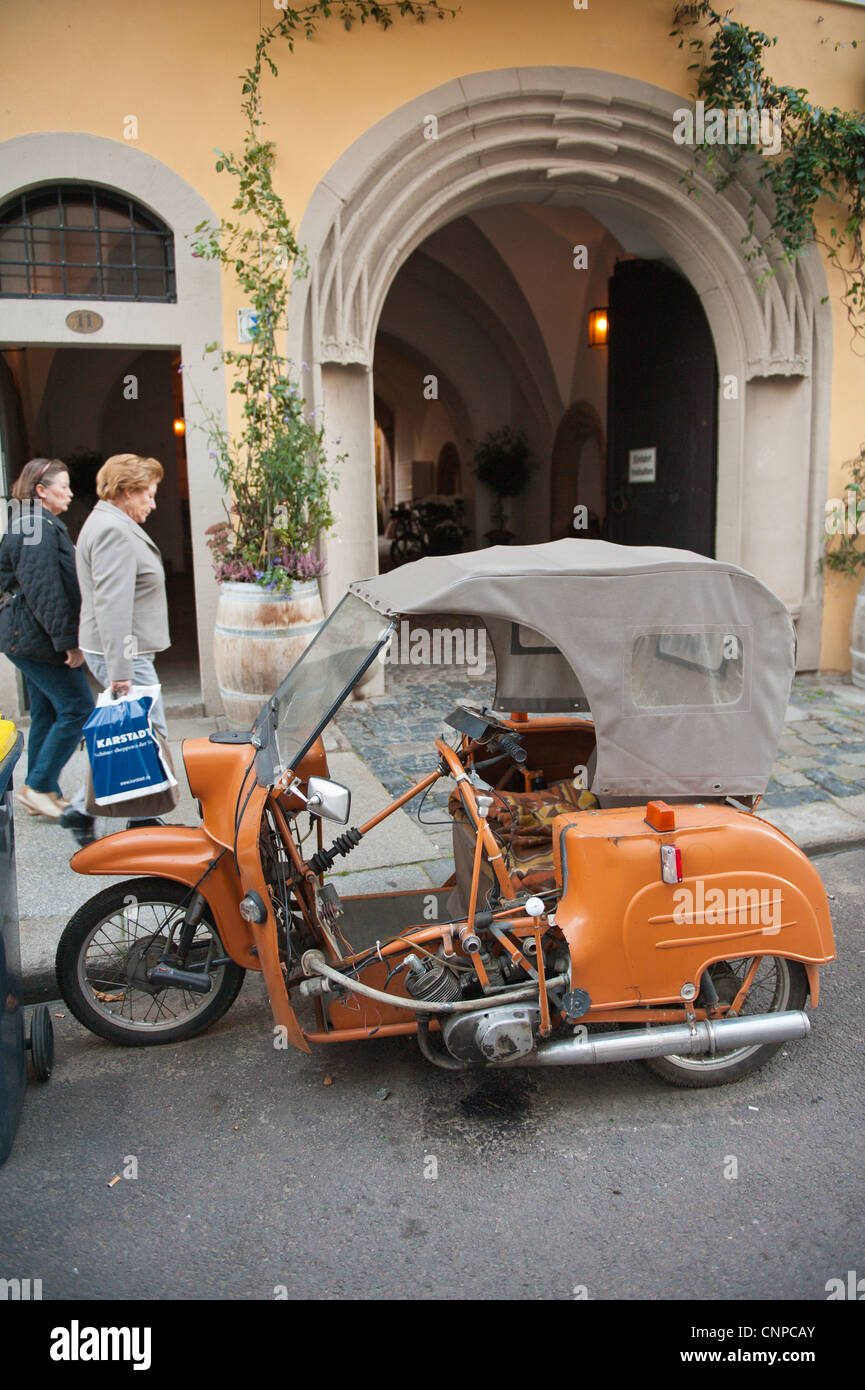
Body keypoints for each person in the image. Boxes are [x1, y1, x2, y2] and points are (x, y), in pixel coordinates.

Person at [60, 454, 170, 845]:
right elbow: (113, 603)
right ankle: (113, 813)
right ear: (126, 491)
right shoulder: (113, 530)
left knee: (132, 731)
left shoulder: (112, 521)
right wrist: (121, 669)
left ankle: (125, 813)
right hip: (124, 652)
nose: (153, 504)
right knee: (148, 729)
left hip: (122, 650)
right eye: (149, 495)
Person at [0, 458, 95, 819]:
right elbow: (45, 591)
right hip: (34, 638)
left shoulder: (37, 524)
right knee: (77, 708)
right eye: (63, 487)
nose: (70, 493)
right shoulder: (33, 526)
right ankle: (38, 785)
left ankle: (41, 789)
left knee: (47, 710)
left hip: (28, 636)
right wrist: (68, 642)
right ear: (41, 490)